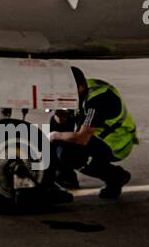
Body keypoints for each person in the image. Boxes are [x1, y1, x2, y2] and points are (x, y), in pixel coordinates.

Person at [45, 66, 138, 202]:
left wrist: (53, 136)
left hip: (115, 142)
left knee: (69, 154)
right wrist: (59, 111)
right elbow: (63, 120)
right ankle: (66, 176)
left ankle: (115, 176)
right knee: (55, 123)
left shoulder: (98, 100)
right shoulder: (80, 89)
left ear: (81, 87)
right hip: (96, 132)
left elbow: (82, 139)